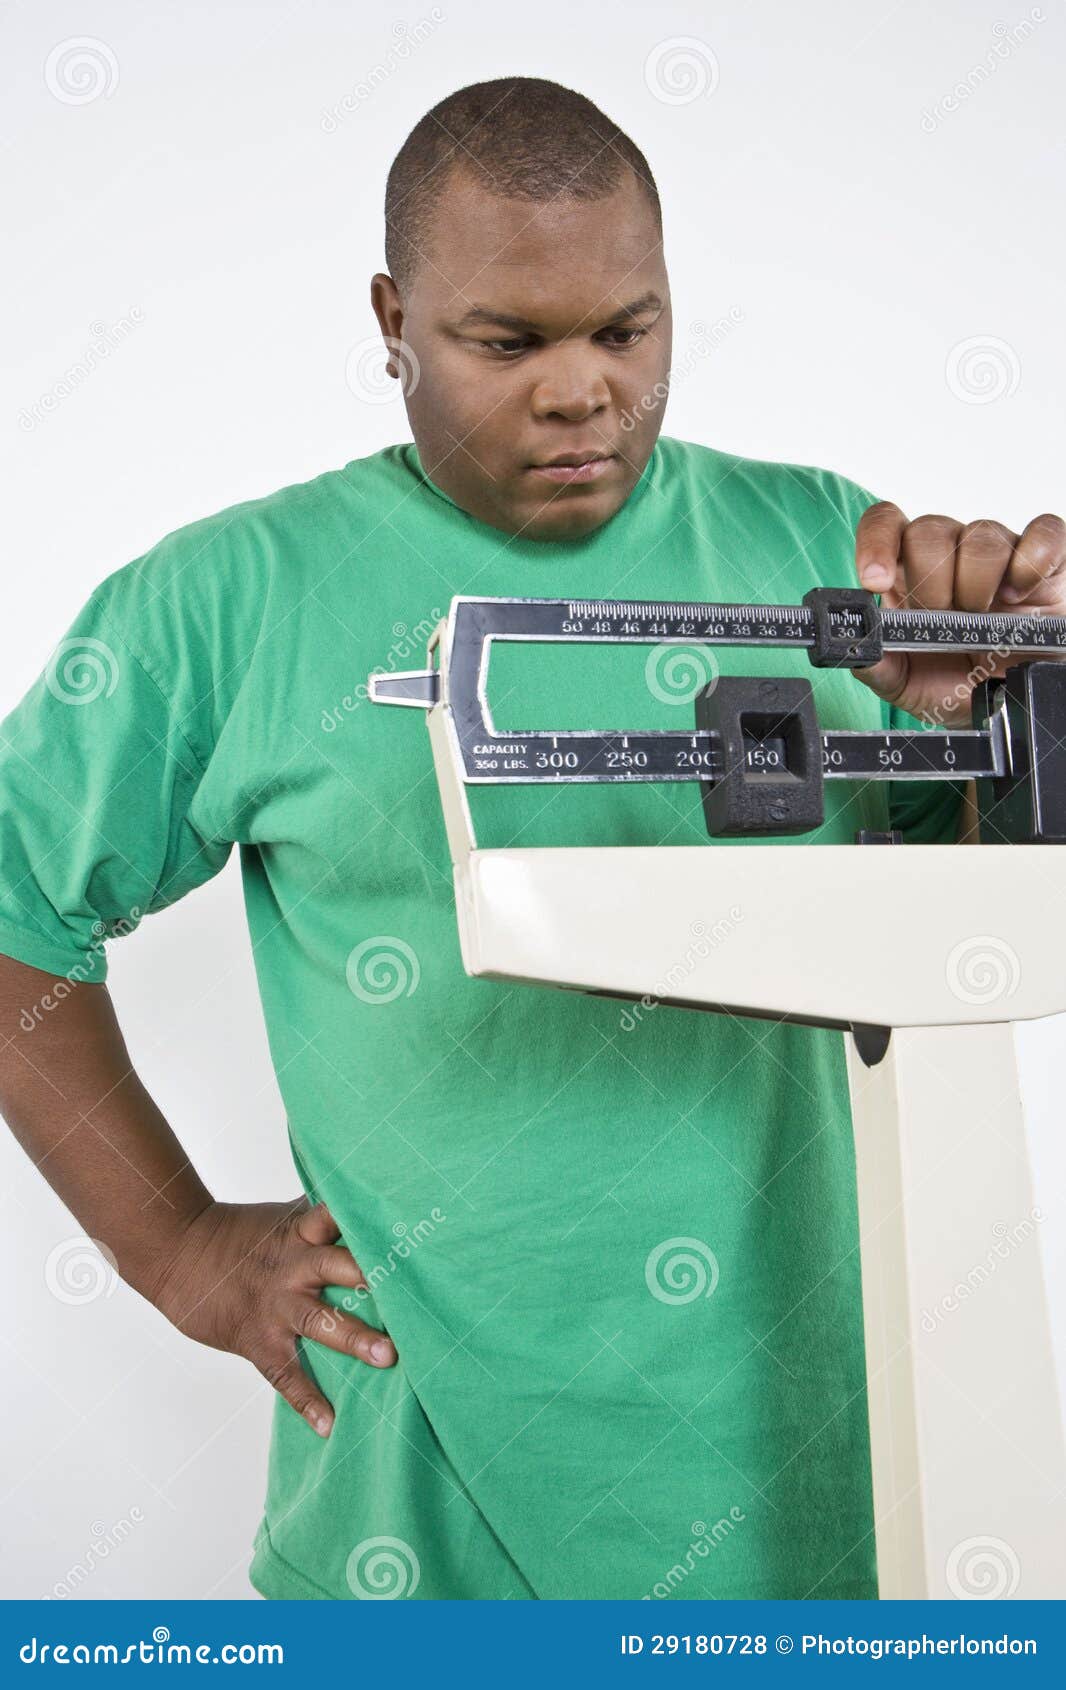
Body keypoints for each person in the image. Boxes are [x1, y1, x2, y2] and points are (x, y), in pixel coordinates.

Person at [1, 75, 1063, 1604]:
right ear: (390, 316)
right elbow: (15, 898)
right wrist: (171, 1241)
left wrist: (1008, 714)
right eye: (508, 343)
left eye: (626, 331)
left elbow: (974, 935)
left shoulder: (838, 553)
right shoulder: (220, 602)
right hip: (418, 1521)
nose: (582, 392)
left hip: (819, 1480)